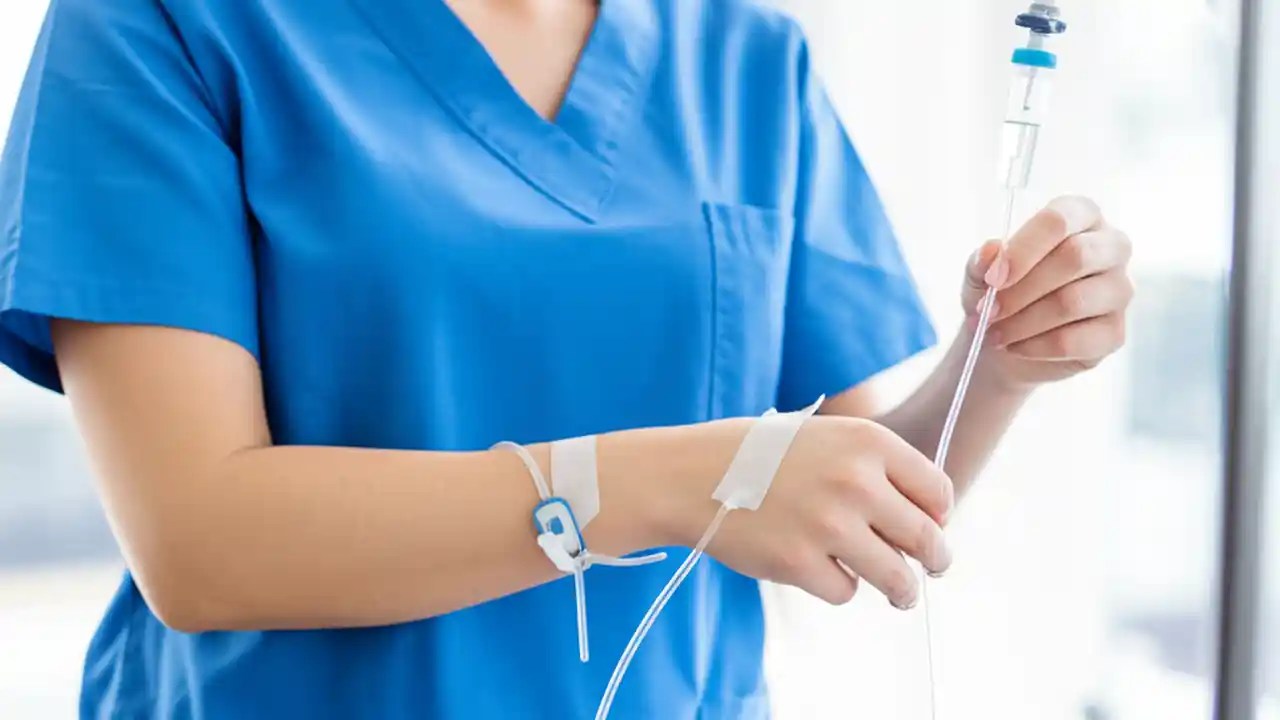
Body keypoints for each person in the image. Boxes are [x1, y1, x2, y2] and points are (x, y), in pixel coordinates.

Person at [0, 0, 1133, 717]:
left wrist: (998, 368)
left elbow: (839, 489)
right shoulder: (162, 25)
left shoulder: (742, 57)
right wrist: (656, 485)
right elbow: (200, 545)